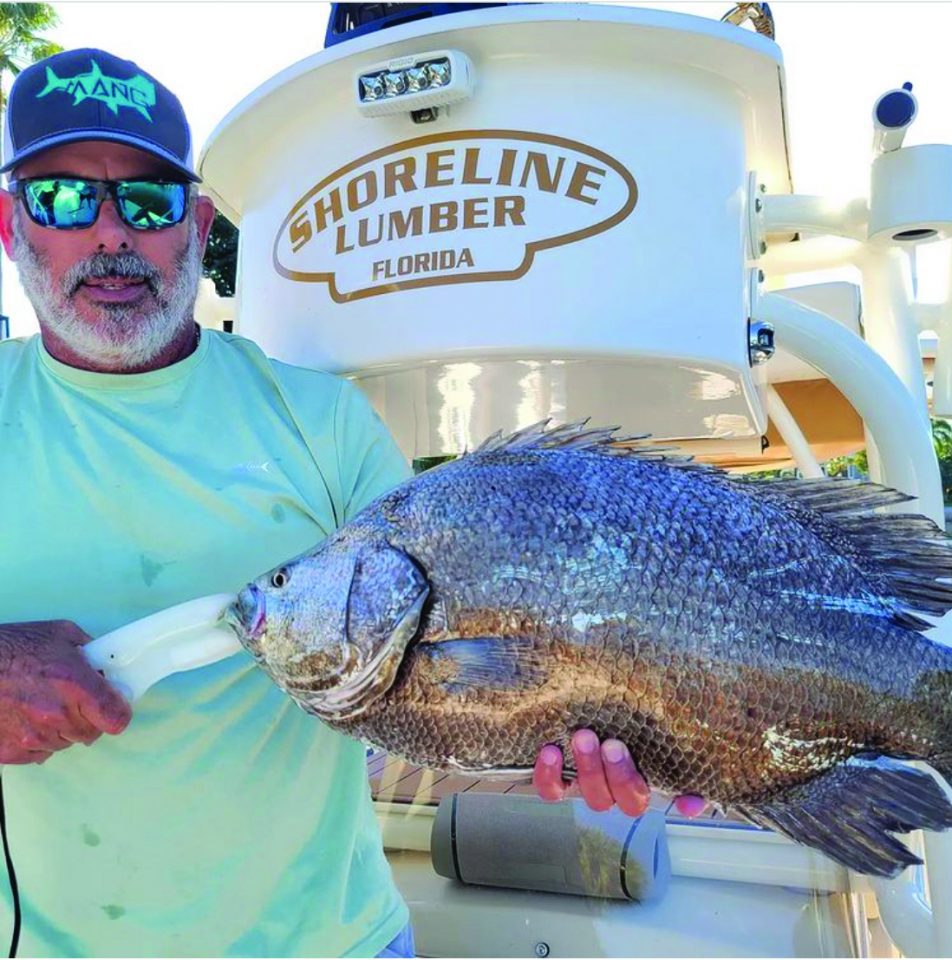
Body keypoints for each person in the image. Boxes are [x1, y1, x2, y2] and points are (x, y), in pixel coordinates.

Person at [0, 47, 689, 958]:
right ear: (11, 225)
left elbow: (457, 646)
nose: (110, 232)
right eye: (61, 198)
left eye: (150, 200)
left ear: (198, 226)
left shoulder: (320, 419)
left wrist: (591, 709)